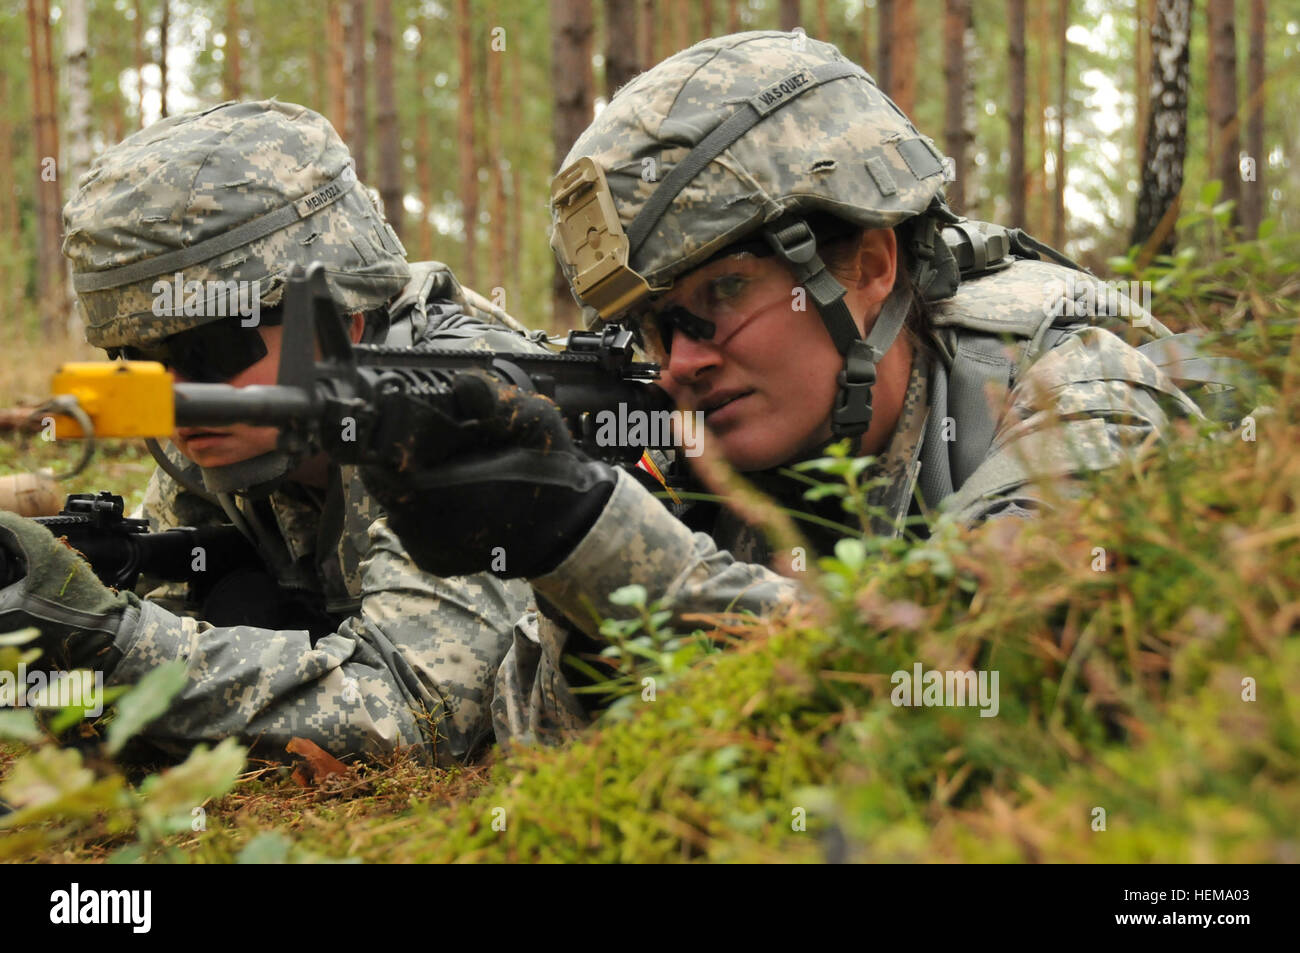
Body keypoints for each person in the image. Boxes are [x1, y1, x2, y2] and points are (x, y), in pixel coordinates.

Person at [353, 31, 1243, 749]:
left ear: (868, 261)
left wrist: (608, 546)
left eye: (722, 295)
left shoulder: (1065, 375)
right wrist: (566, 579)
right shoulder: (708, 454)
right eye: (654, 328)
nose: (679, 364)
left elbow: (988, 671)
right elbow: (559, 771)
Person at [0, 100, 539, 765]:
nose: (175, 399)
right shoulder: (217, 440)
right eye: (140, 361)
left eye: (211, 352)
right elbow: (170, 619)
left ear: (343, 321)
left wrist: (109, 640)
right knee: (233, 597)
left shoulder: (457, 408)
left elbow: (418, 714)